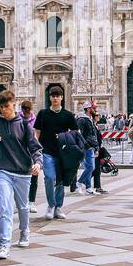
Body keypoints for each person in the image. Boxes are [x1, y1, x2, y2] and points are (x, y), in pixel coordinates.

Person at [0, 89, 43, 259]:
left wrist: (38, 163)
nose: (3, 110)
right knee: (5, 208)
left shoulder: (24, 125)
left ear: (14, 104)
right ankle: (4, 245)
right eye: (0, 107)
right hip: (3, 171)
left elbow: (35, 148)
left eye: (6, 106)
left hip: (23, 172)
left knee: (23, 207)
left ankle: (24, 232)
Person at [33, 87, 78, 219]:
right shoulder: (43, 113)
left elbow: (76, 133)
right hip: (46, 151)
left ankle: (58, 207)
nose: (55, 98)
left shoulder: (68, 115)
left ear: (62, 97)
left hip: (63, 153)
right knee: (49, 178)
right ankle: (51, 205)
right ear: (50, 97)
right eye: (53, 95)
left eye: (58, 95)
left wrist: (65, 137)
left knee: (59, 180)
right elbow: (37, 132)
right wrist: (36, 148)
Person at [76, 102, 105, 195]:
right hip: (86, 147)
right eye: (93, 108)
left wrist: (96, 146)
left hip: (91, 146)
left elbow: (93, 135)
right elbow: (79, 134)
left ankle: (88, 188)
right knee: (91, 167)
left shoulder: (89, 119)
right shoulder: (82, 120)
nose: (95, 110)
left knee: (89, 167)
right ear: (88, 109)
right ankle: (79, 182)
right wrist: (86, 145)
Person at [19, 99, 39, 214]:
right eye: (25, 110)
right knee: (22, 178)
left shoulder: (34, 120)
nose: (27, 112)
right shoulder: (17, 119)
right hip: (20, 152)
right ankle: (25, 201)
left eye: (28, 110)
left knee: (33, 177)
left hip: (31, 150)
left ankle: (31, 202)